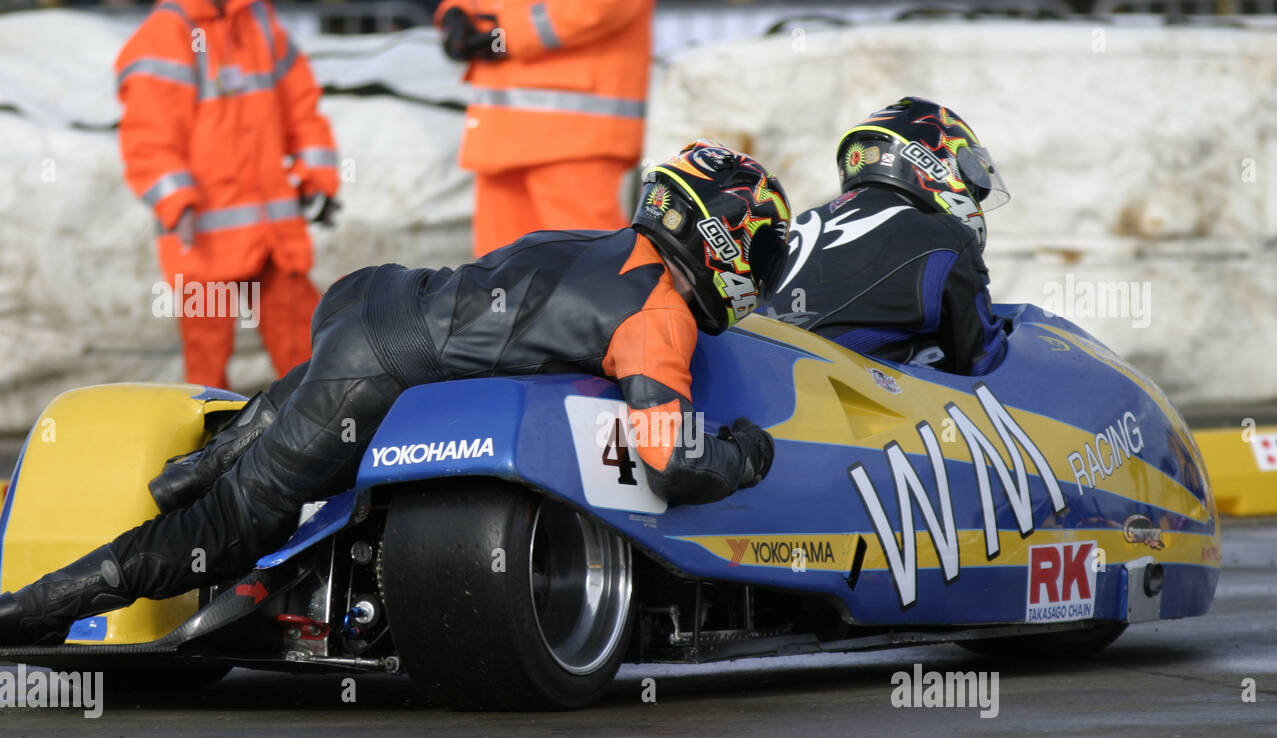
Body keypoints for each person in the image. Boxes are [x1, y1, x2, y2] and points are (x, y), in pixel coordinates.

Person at [0, 143, 788, 648]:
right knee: (231, 526)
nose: (761, 267)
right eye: (761, 248)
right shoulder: (659, 317)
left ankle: (206, 460)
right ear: (725, 239)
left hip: (367, 300)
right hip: (377, 367)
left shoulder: (592, 237)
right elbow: (668, 460)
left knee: (284, 437)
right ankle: (25, 615)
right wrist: (745, 456)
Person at [115, 0, 340, 388]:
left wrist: (316, 178)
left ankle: (325, 442)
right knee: (207, 375)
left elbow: (301, 108)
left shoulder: (259, 21)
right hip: (204, 240)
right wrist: (176, 203)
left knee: (310, 358)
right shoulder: (165, 34)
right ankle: (208, 447)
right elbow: (147, 138)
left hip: (272, 238)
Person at [765, 96, 1009, 376]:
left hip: (748, 378)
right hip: (825, 393)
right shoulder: (947, 237)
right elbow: (984, 363)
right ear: (930, 159)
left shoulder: (797, 224)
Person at [434, 0, 654, 256]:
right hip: (500, 135)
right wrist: (453, 12)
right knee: (500, 274)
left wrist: (507, 36)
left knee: (591, 275)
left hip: (574, 135)